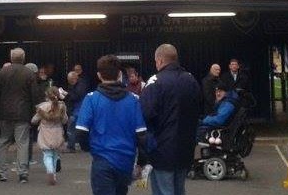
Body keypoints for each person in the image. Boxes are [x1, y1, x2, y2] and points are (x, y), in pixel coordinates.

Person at [75, 55, 147, 195]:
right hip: (126, 161)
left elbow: (80, 132)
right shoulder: (133, 101)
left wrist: (90, 148)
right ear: (120, 74)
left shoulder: (91, 99)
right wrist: (141, 162)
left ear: (98, 75)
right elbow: (142, 135)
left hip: (102, 160)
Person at [139, 44, 202, 195]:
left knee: (164, 190)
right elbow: (199, 109)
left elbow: (145, 114)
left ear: (159, 61)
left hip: (161, 149)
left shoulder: (155, 82)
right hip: (185, 149)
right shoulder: (191, 80)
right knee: (179, 189)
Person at [0, 47, 42, 183]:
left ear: (11, 58)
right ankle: (22, 173)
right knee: (22, 143)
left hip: (4, 114)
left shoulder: (2, 72)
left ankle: (2, 173)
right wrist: (36, 111)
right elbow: (35, 95)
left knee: (3, 142)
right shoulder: (29, 74)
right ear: (23, 58)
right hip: (23, 114)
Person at [32, 85, 68, 185]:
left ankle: (50, 171)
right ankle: (54, 175)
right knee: (55, 154)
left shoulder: (42, 107)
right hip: (57, 132)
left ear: (46, 96)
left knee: (47, 154)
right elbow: (65, 120)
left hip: (45, 133)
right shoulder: (62, 106)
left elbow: (34, 120)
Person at [64, 70, 89, 153]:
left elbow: (76, 97)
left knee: (71, 129)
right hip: (78, 109)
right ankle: (84, 146)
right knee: (79, 129)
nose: (70, 82)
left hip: (76, 110)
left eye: (70, 80)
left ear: (74, 78)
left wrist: (67, 94)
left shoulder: (79, 86)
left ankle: (71, 146)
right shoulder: (81, 84)